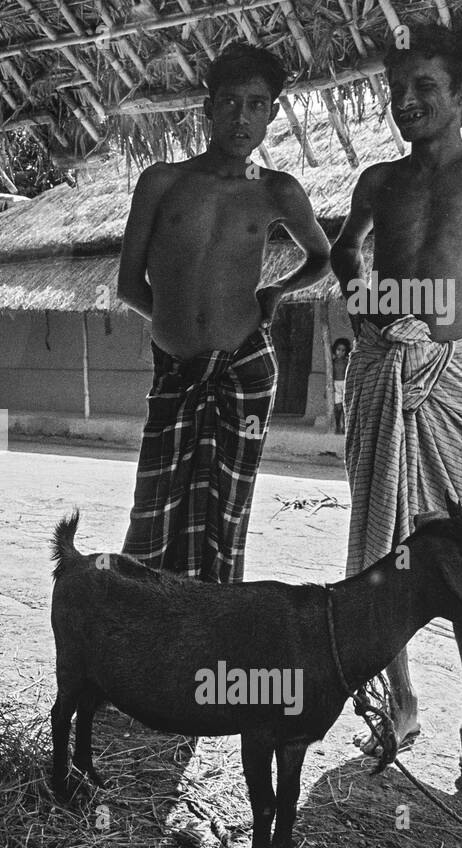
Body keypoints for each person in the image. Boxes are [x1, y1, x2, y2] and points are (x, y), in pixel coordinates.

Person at [330, 23, 462, 805]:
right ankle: (400, 700)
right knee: (387, 550)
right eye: (398, 88)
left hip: (453, 378)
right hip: (384, 371)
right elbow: (347, 251)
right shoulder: (379, 182)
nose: (405, 102)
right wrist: (366, 310)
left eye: (426, 88)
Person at [117, 42, 330, 582]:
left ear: (273, 114)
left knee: (226, 514)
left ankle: (211, 625)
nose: (243, 117)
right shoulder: (163, 182)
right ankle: (144, 623)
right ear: (207, 109)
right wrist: (175, 332)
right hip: (177, 370)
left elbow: (323, 256)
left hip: (245, 369)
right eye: (230, 102)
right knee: (154, 510)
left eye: (257, 104)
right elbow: (128, 285)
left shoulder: (277, 191)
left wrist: (278, 291)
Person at [331, 337, 351, 433]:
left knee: (344, 407)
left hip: (345, 385)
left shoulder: (347, 362)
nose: (340, 352)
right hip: (335, 385)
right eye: (338, 350)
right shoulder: (332, 362)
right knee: (337, 407)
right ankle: (337, 425)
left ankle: (344, 427)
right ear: (335, 350)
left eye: (343, 350)